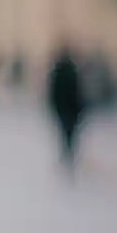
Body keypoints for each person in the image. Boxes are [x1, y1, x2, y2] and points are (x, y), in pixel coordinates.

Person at [46, 43, 87, 174]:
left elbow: (54, 91)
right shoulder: (73, 71)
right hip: (70, 109)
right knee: (69, 133)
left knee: (65, 133)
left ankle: (67, 155)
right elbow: (78, 91)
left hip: (64, 108)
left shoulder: (58, 72)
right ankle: (69, 155)